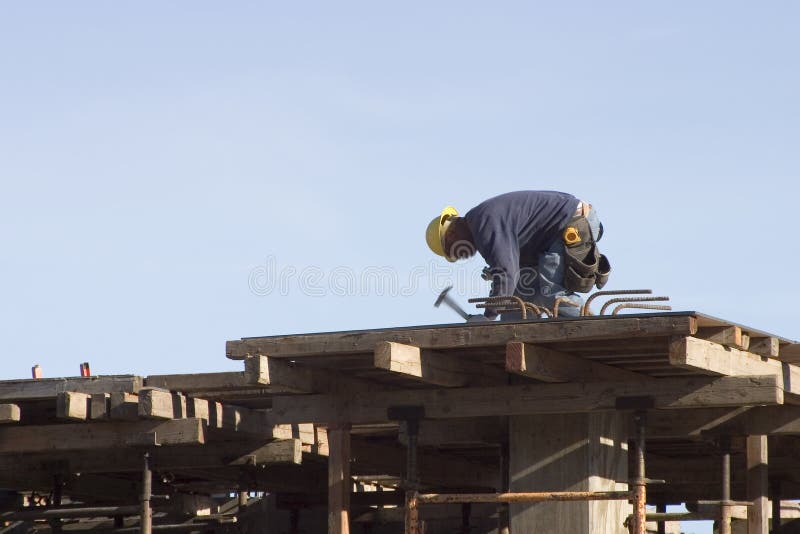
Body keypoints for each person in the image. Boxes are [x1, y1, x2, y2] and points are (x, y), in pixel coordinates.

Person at [425, 191, 610, 320]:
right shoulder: (482, 224)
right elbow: (510, 273)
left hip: (571, 223)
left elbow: (507, 274)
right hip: (553, 235)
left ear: (452, 235)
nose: (462, 257)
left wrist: (488, 317)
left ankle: (596, 326)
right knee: (516, 301)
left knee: (551, 294)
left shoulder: (484, 225)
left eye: (455, 252)